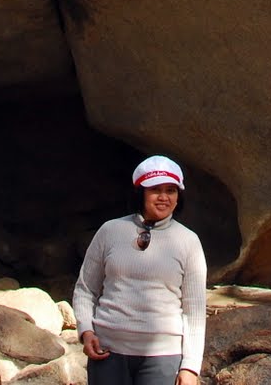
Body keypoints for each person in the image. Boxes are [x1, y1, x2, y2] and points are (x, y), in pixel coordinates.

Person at [72, 155, 207, 385]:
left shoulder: (189, 241)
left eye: (171, 190)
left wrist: (191, 367)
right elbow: (85, 289)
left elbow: (194, 311)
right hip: (107, 352)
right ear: (140, 193)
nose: (164, 197)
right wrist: (86, 331)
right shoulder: (110, 231)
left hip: (164, 357)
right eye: (155, 189)